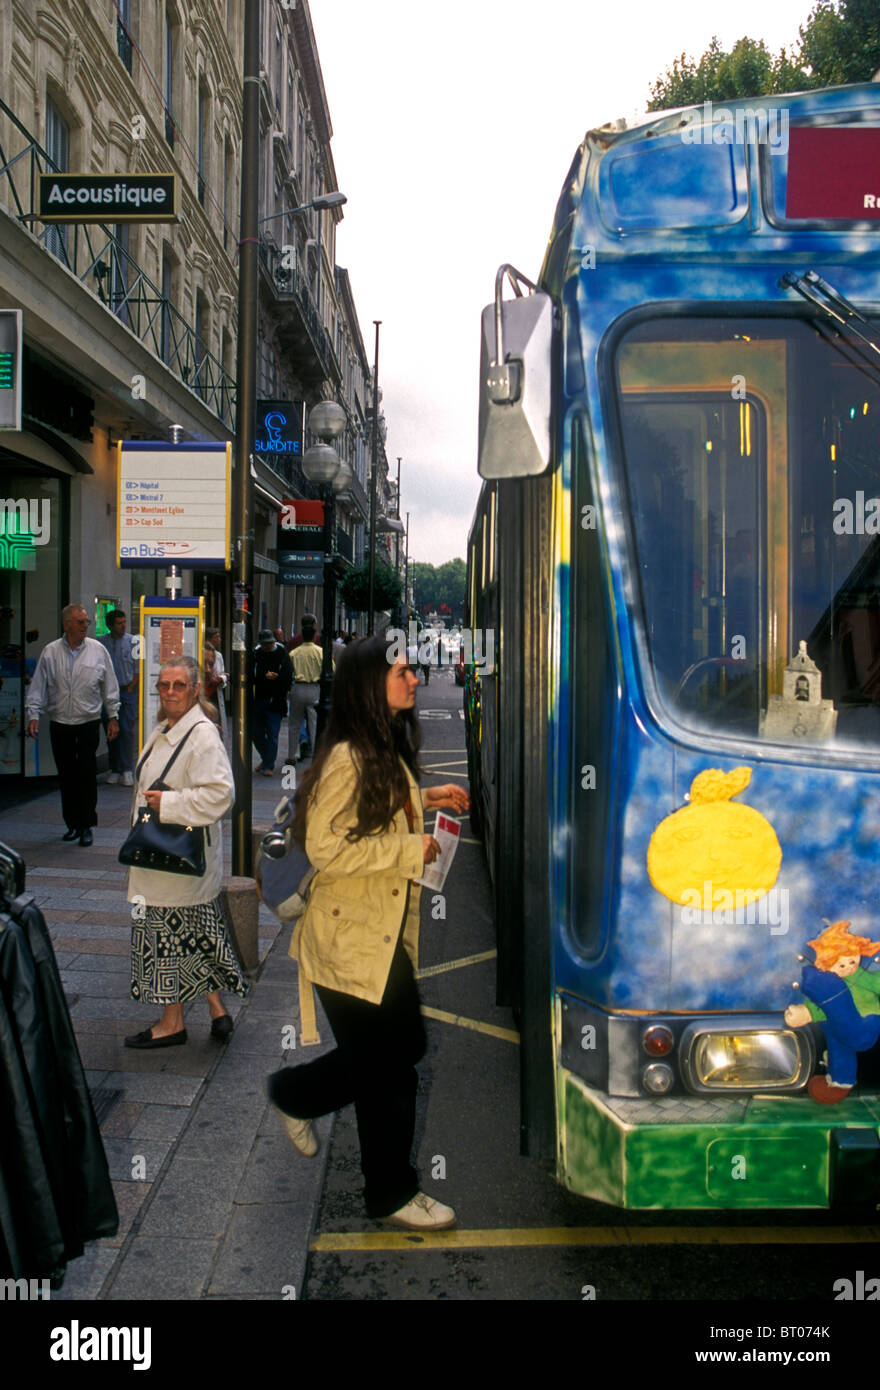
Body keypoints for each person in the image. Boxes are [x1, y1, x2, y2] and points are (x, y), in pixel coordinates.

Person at [266, 635, 470, 1230]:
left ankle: (297, 1095)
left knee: (391, 1056)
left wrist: (423, 798)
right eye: (402, 671)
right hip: (348, 942)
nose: (413, 679)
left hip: (371, 937)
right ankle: (390, 1191)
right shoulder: (349, 757)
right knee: (393, 1064)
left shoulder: (377, 746)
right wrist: (411, 849)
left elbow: (368, 815)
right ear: (368, 684)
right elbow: (328, 847)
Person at [124, 655, 248, 1049]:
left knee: (167, 940)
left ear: (195, 689)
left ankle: (171, 1023)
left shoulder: (201, 734)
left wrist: (171, 804)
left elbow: (221, 795)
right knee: (195, 937)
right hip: (171, 862)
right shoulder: (165, 727)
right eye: (164, 685)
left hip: (174, 861)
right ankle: (217, 1010)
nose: (171, 692)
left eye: (180, 685)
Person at [25, 603, 120, 847]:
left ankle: (87, 824)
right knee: (67, 776)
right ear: (67, 624)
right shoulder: (50, 652)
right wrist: (33, 715)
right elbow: (38, 685)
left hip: (87, 722)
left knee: (86, 775)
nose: (85, 626)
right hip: (60, 723)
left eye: (86, 621)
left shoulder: (98, 651)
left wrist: (113, 717)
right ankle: (72, 824)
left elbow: (109, 686)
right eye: (80, 622)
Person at [99, 609, 138, 786]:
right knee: (111, 731)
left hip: (126, 690)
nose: (123, 626)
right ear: (110, 625)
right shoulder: (101, 643)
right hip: (107, 693)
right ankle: (114, 768)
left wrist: (130, 688)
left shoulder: (133, 642)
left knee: (126, 730)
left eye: (124, 622)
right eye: (119, 623)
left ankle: (127, 768)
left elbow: (139, 669)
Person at [253, 628, 293, 776]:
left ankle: (268, 765)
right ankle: (265, 757)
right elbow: (251, 674)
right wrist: (263, 677)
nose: (267, 647)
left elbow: (289, 676)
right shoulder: (256, 654)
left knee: (272, 734)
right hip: (259, 698)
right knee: (256, 733)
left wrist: (278, 677)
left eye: (269, 644)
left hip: (276, 700)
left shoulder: (282, 654)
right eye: (264, 644)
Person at [288, 619, 323, 764]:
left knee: (294, 723)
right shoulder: (321, 652)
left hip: (298, 687)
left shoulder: (294, 653)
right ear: (314, 636)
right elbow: (330, 670)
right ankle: (316, 754)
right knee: (314, 724)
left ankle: (292, 755)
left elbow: (289, 671)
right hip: (315, 688)